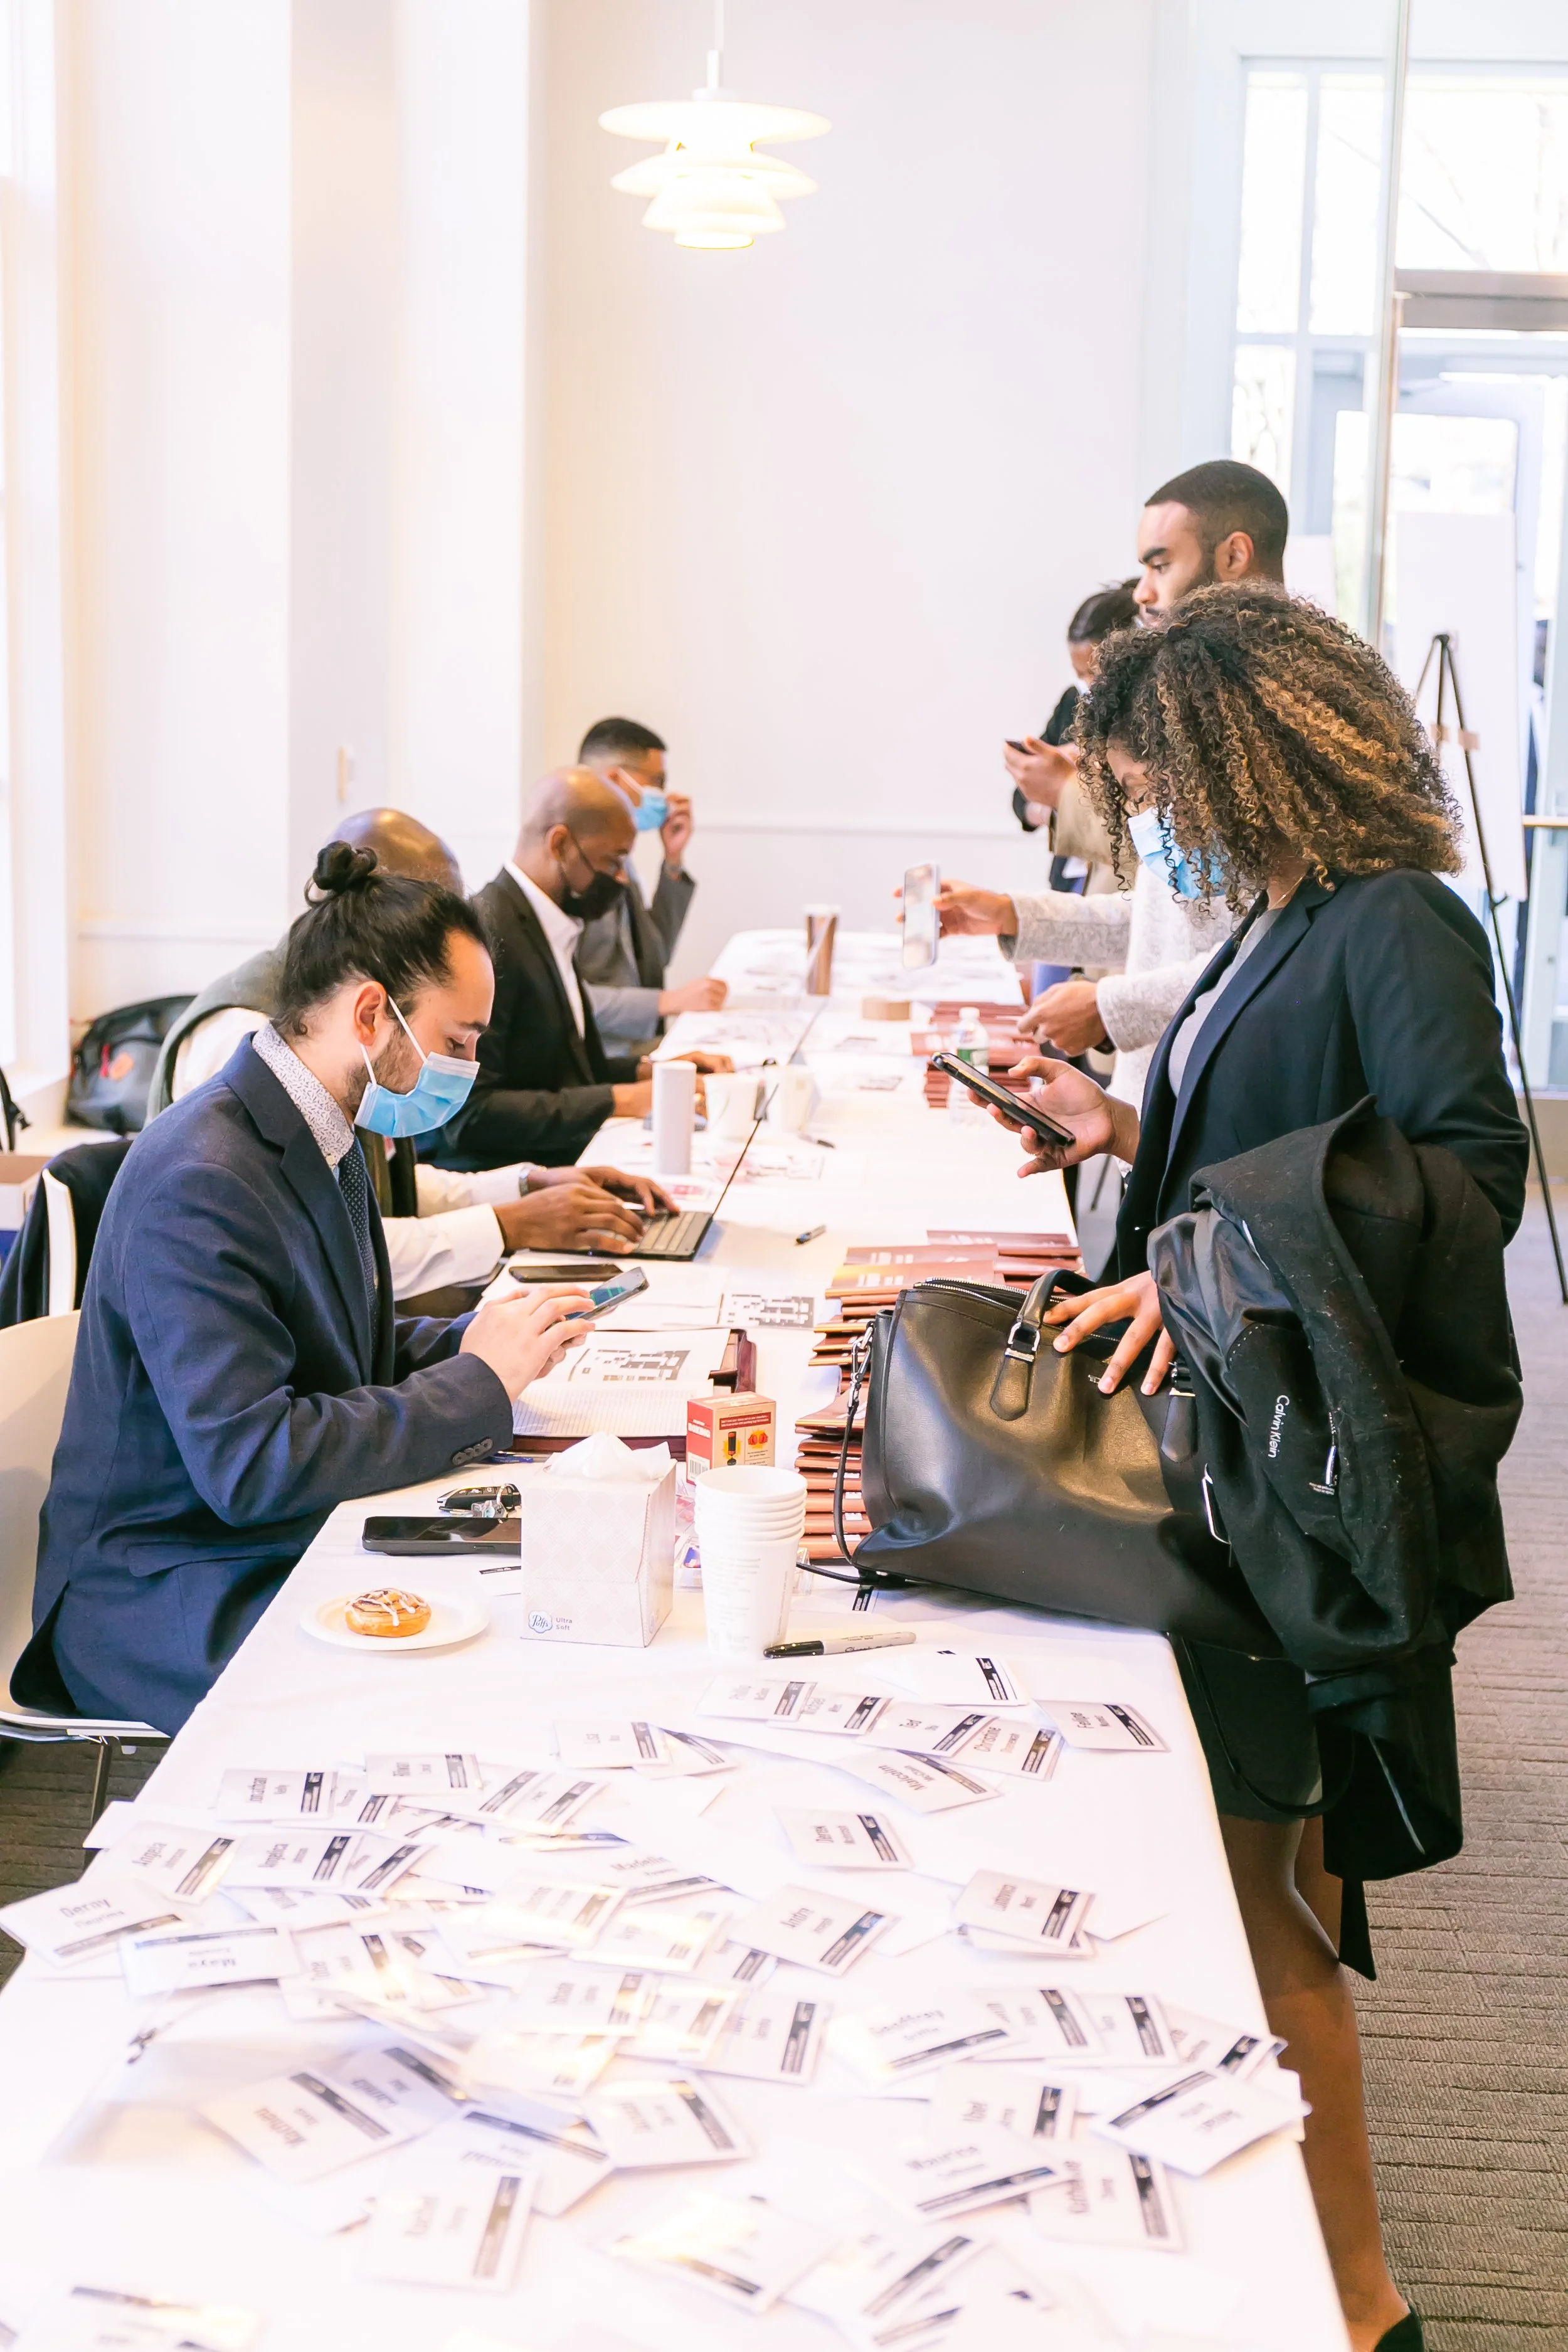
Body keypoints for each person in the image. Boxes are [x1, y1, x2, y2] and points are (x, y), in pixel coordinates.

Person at [984, 585, 1527, 2352]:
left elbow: (1462, 1174)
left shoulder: (1398, 921)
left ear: (1247, 749)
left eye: (1159, 789)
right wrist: (1123, 1137)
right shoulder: (1278, 915)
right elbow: (1270, 1135)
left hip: (1297, 1456)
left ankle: (1362, 2303)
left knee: (1265, 1890)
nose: (1155, 828)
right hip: (1230, 1426)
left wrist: (1202, 1261)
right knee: (1242, 1860)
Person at [18, 845, 598, 1735]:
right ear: (373, 1013)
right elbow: (251, 1462)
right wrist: (477, 1383)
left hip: (253, 1534)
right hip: (168, 1579)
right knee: (470, 1677)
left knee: (535, 1598)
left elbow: (340, 1347)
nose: (470, 1068)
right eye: (457, 1041)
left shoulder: (319, 1126)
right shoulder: (200, 1175)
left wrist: (489, 1342)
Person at [149, 810, 669, 1296]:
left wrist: (525, 1184)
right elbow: (316, 1247)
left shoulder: (346, 1033)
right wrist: (507, 1225)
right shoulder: (247, 1041)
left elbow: (365, 1185)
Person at [937, 458, 1291, 1098]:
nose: (1142, 594)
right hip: (1154, 1106)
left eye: (1160, 565)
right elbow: (1172, 916)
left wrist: (1110, 1005)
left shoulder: (1278, 720)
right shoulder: (1192, 701)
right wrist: (1012, 914)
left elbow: (1276, 955)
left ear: (1234, 556)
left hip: (1224, 1109)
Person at [426, 768, 731, 1173]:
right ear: (561, 844)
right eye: (612, 861)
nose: (620, 879)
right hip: (514, 1180)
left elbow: (566, 1069)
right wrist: (621, 1100)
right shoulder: (489, 937)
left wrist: (658, 1070)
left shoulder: (551, 923)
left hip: (566, 1161)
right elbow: (472, 1115)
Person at [575, 716, 728, 1058]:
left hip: (639, 1045)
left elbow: (656, 957)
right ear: (615, 780)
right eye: (656, 783)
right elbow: (565, 996)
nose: (665, 796)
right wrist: (666, 1002)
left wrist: (672, 859)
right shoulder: (574, 865)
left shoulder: (619, 855)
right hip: (601, 1056)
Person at [1004, 579, 1137, 900]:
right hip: (1070, 879)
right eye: (1080, 676)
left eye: (1097, 674)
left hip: (1121, 878)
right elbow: (1021, 800)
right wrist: (1053, 802)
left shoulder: (1145, 713)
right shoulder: (1072, 703)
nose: (1089, 687)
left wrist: (1073, 786)